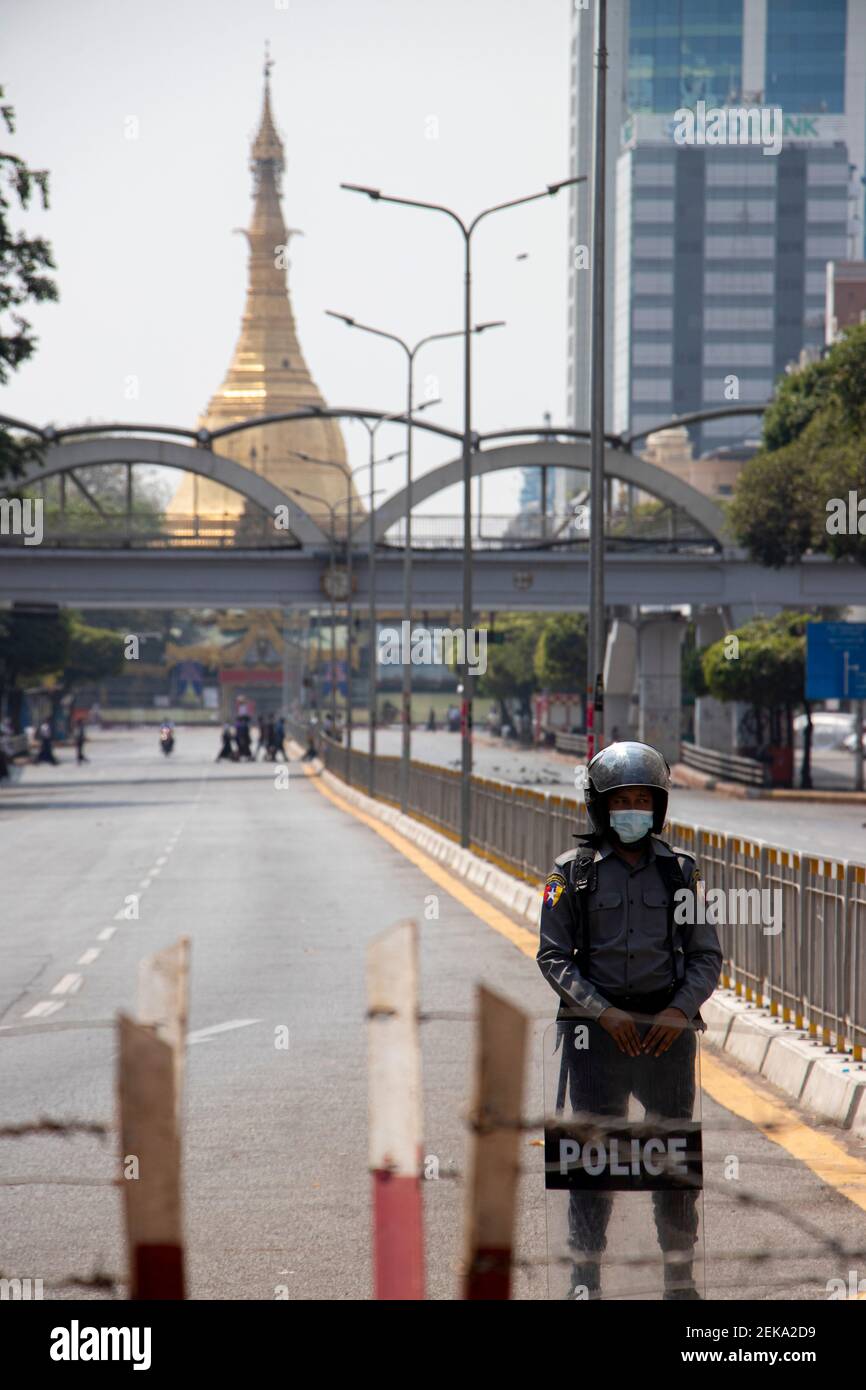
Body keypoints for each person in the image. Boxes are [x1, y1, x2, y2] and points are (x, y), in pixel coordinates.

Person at [537, 740, 722, 1302]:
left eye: (644, 799)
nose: (633, 810)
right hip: (596, 1038)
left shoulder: (682, 874)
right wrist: (603, 1012)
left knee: (671, 1160)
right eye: (622, 800)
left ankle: (679, 1277)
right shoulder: (570, 875)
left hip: (668, 1038)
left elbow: (707, 956)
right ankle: (584, 1275)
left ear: (659, 808)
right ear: (600, 807)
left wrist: (678, 1011)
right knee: (593, 1158)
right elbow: (552, 956)